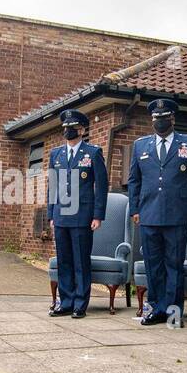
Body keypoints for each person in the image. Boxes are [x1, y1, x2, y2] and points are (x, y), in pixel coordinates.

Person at [126, 98, 187, 326]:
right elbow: (134, 181)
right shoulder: (141, 145)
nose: (159, 122)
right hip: (148, 213)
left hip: (178, 214)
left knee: (174, 264)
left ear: (172, 119)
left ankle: (173, 312)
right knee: (153, 266)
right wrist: (134, 209)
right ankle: (154, 310)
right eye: (155, 119)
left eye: (163, 118)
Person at [47, 109, 109, 319]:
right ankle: (65, 302)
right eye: (65, 128)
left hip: (83, 215)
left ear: (82, 130)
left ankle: (80, 304)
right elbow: (52, 186)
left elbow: (101, 187)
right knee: (64, 260)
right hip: (61, 215)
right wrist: (51, 214)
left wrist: (98, 215)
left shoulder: (92, 153)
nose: (68, 131)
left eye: (72, 128)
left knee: (81, 261)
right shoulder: (56, 154)